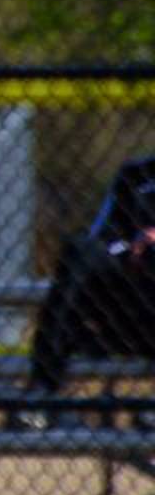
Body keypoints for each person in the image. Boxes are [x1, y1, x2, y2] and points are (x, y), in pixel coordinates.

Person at [29, 156, 155, 394]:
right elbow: (103, 237)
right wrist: (132, 247)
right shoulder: (135, 174)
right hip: (128, 302)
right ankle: (43, 386)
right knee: (81, 250)